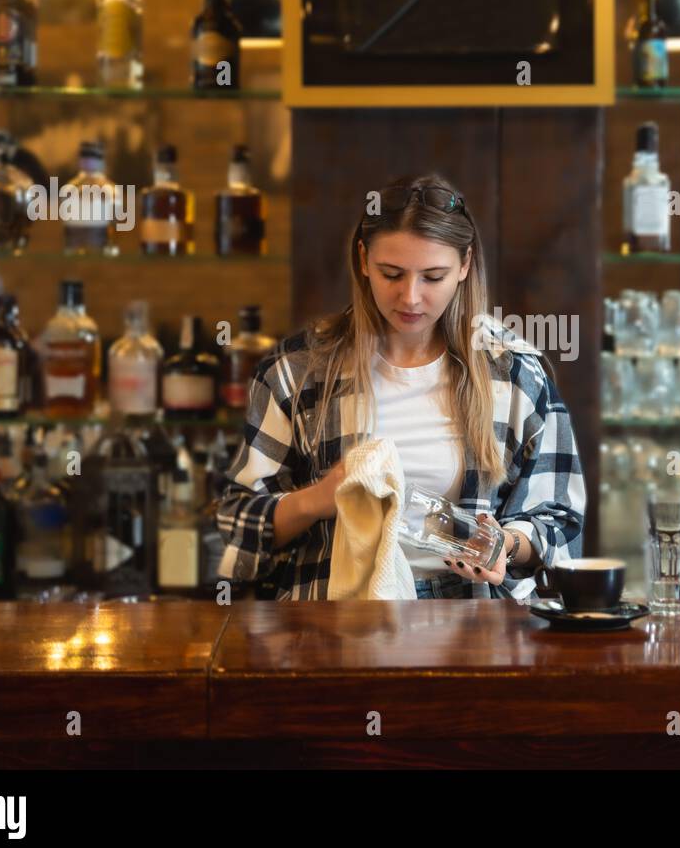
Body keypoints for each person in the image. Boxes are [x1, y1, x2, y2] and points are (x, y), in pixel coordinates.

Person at [216, 173, 586, 600]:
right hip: (334, 618)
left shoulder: (514, 373)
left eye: (433, 277)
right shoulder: (297, 371)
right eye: (391, 274)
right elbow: (236, 526)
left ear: (465, 265)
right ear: (362, 260)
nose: (410, 297)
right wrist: (319, 497)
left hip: (474, 623)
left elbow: (559, 519)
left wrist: (505, 544)